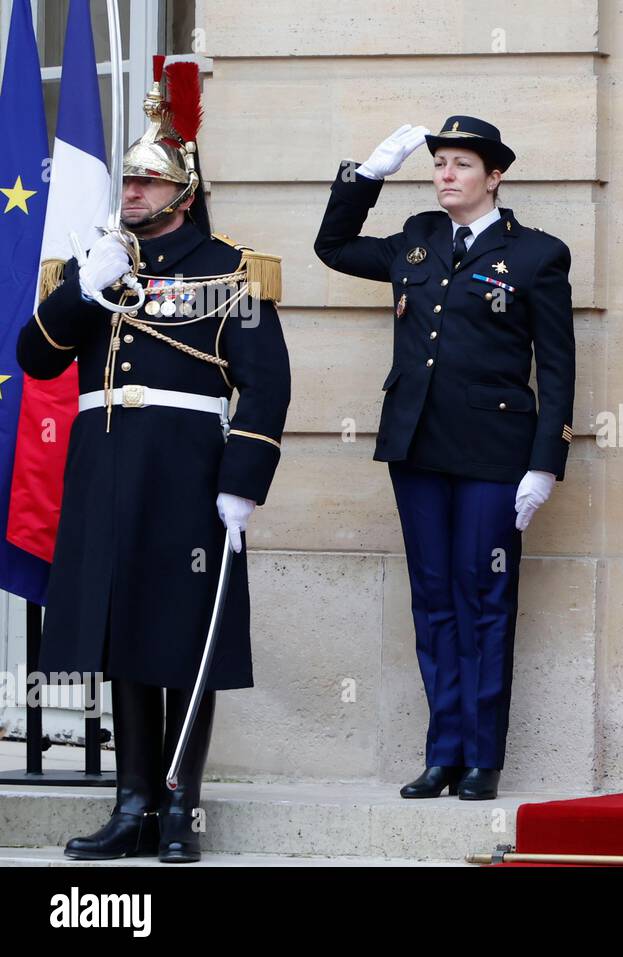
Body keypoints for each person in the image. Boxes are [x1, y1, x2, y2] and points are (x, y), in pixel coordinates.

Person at [17, 60, 291, 862]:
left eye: (145, 184)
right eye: (127, 183)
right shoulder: (98, 266)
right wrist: (82, 294)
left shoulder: (232, 271)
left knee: (183, 638)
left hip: (188, 473)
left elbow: (267, 385)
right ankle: (130, 801)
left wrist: (243, 481)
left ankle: (179, 805)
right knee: (120, 634)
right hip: (105, 468)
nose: (130, 195)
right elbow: (36, 357)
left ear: (182, 193)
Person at [314, 116, 576, 802]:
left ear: (494, 177)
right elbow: (333, 246)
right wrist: (366, 175)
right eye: (439, 165)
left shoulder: (538, 255)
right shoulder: (417, 240)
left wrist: (544, 463)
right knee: (433, 600)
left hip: (494, 454)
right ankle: (443, 752)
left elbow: (557, 366)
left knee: (482, 597)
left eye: (460, 165)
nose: (445, 175)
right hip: (419, 447)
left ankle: (482, 756)